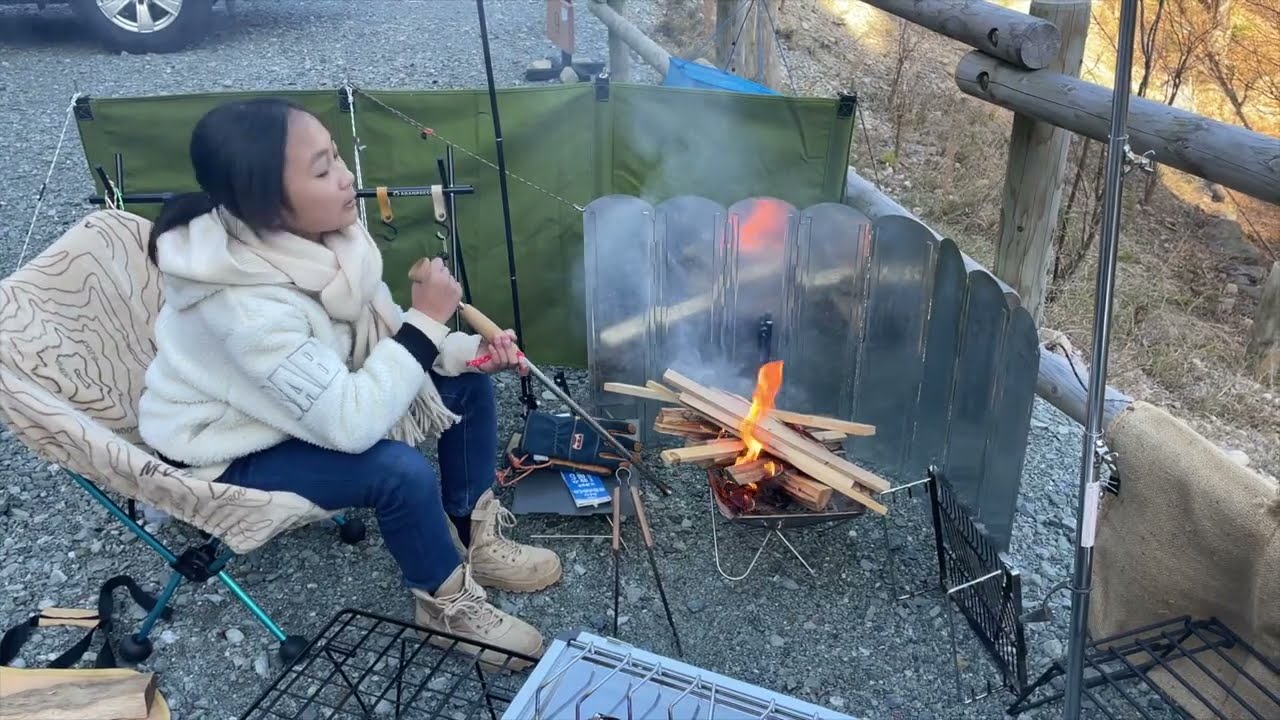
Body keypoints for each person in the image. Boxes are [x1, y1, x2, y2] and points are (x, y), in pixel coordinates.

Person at [135, 97, 560, 667]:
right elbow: (352, 425)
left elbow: (381, 336)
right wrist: (428, 320)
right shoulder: (244, 308)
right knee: (396, 472)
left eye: (336, 156)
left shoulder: (325, 241)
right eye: (322, 170)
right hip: (230, 446)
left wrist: (465, 352)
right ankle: (445, 607)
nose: (345, 176)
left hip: (296, 410)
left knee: (465, 388)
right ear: (264, 201)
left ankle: (469, 532)